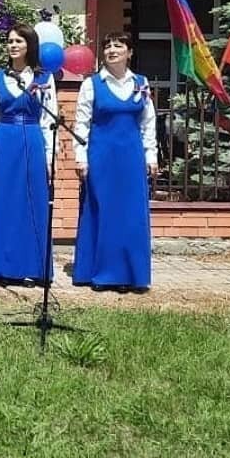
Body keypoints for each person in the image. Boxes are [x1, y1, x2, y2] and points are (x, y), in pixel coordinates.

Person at [0, 24, 57, 285]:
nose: (13, 45)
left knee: (32, 203)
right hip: (4, 139)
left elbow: (48, 120)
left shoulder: (45, 78)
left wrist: (48, 158)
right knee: (2, 202)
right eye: (9, 41)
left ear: (30, 45)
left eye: (19, 41)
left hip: (32, 139)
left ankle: (33, 267)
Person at [72, 32, 156, 292]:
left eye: (118, 45)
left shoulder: (140, 83)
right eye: (107, 46)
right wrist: (80, 157)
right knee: (102, 211)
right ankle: (102, 274)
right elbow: (81, 124)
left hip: (131, 158)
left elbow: (148, 122)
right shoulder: (92, 84)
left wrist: (151, 155)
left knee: (130, 214)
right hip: (101, 157)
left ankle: (131, 274)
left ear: (129, 52)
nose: (111, 50)